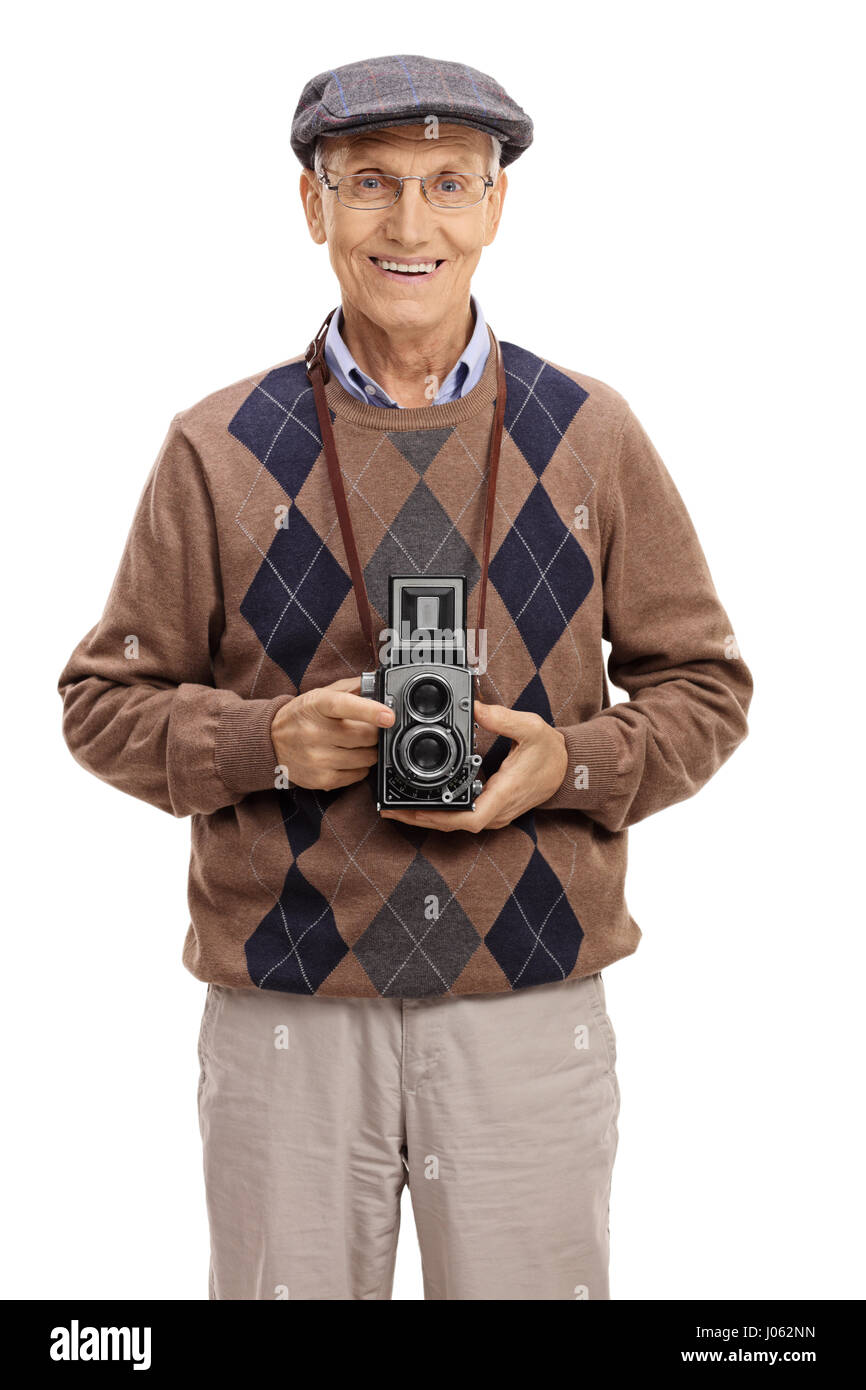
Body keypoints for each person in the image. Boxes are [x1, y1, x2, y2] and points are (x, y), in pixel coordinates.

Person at [57, 53, 753, 1301]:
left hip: (529, 993)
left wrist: (570, 761)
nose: (411, 224)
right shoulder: (216, 446)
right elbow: (101, 702)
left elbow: (704, 684)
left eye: (448, 183)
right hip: (289, 1002)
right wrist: (270, 741)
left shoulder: (591, 431)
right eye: (370, 183)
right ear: (312, 206)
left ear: (496, 207)